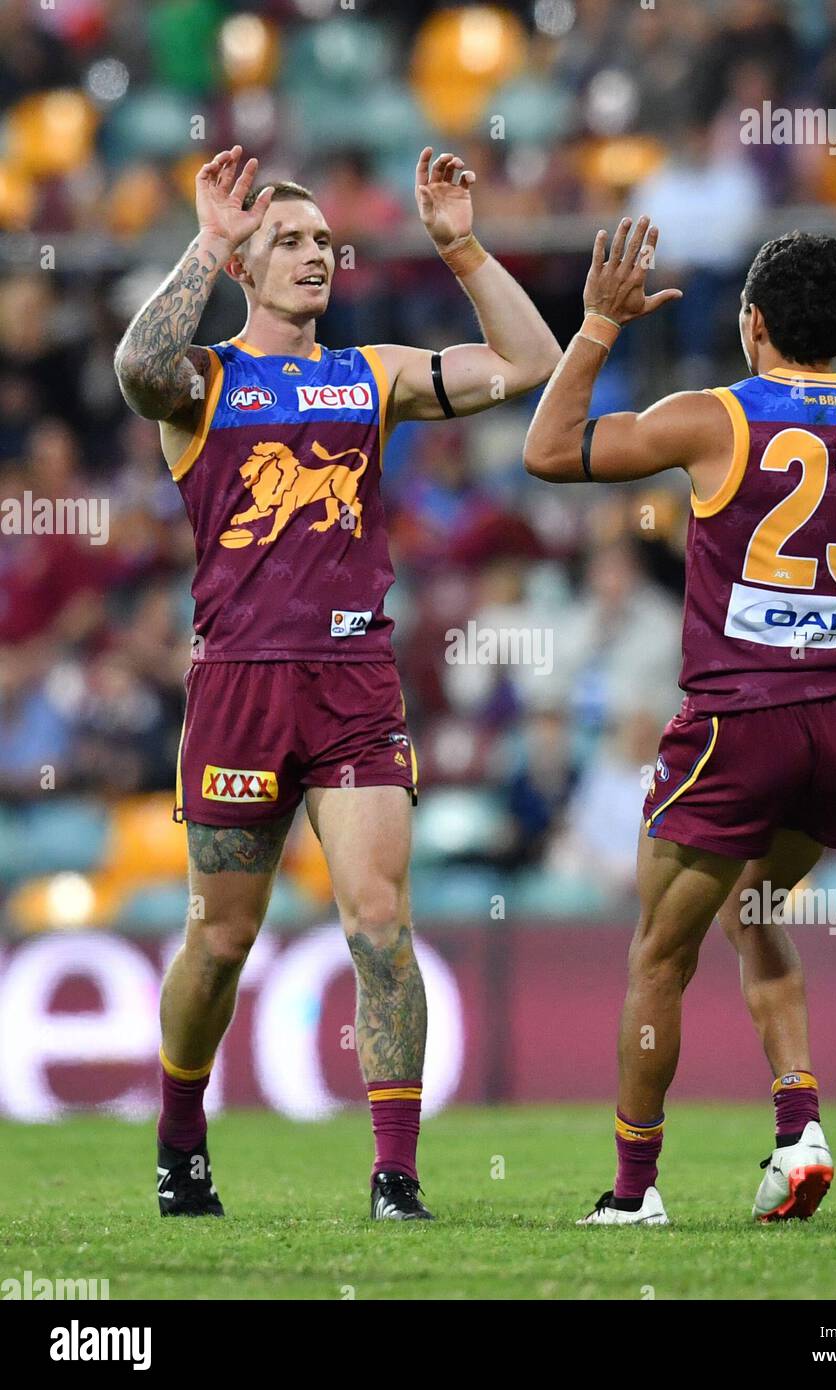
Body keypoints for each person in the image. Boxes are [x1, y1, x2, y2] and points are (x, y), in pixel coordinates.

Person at [114, 145, 560, 1221]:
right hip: (238, 687)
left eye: (322, 241)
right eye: (289, 242)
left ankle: (395, 1176)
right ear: (247, 265)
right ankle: (180, 1136)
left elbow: (531, 361)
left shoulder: (374, 374)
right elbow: (135, 370)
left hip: (356, 678)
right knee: (220, 943)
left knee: (378, 923)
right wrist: (207, 244)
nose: (315, 256)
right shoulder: (203, 382)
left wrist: (457, 244)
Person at [524, 221, 836, 1225]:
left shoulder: (713, 418)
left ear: (751, 323)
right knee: (754, 908)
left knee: (659, 951)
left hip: (738, 723)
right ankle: (799, 1131)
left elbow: (547, 450)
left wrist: (600, 325)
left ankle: (631, 1193)